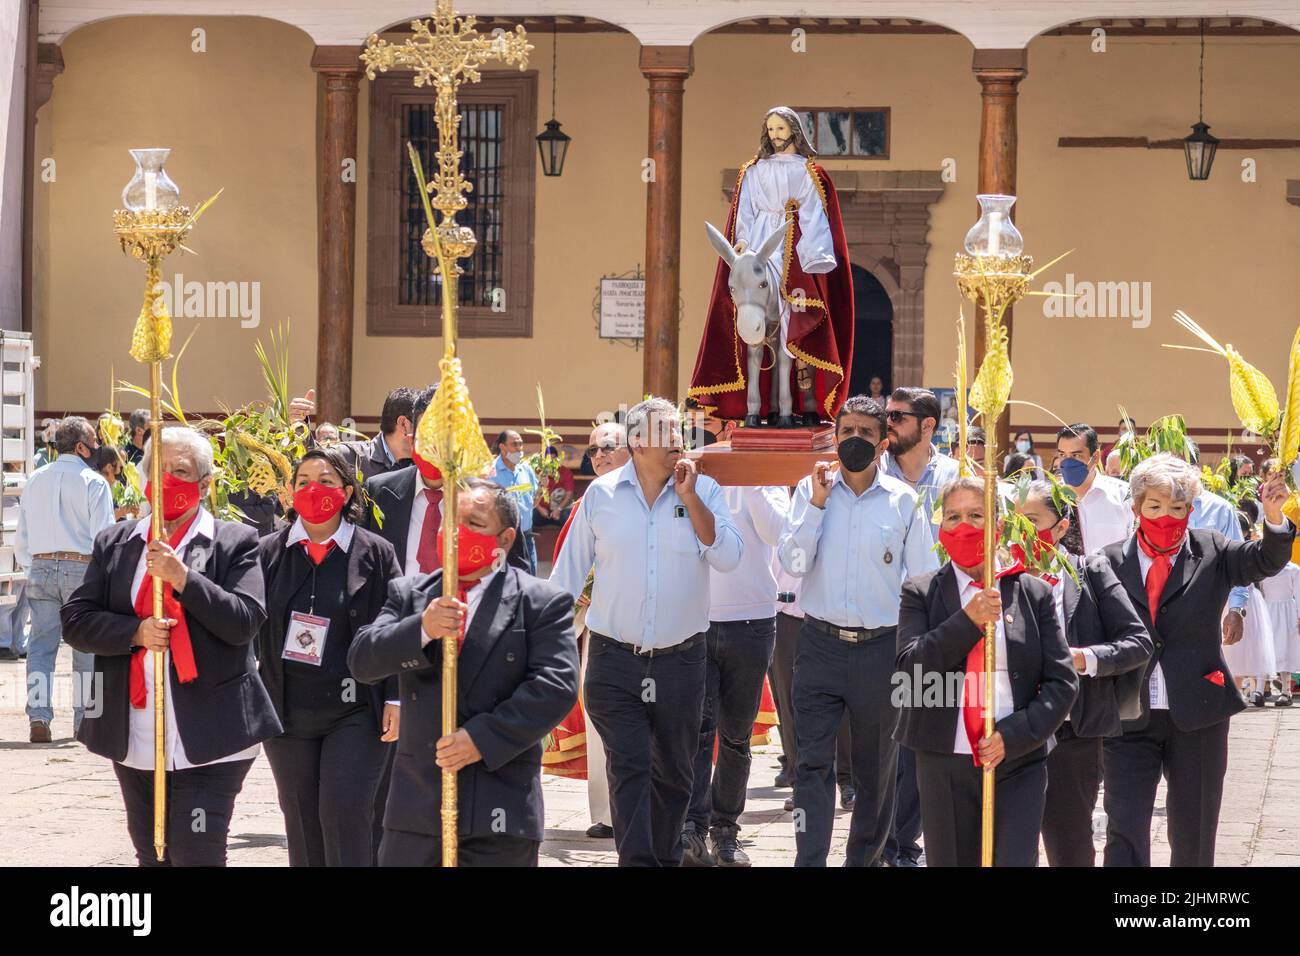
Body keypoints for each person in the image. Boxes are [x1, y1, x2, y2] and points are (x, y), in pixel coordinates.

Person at [61, 425, 280, 866]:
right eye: (157, 470)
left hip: (211, 735)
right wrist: (135, 633)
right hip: (135, 734)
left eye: (180, 471)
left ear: (204, 484)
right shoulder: (117, 542)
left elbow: (244, 621)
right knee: (152, 852)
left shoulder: (233, 542)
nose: (166, 482)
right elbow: (76, 622)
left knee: (195, 852)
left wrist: (184, 578)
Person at [550, 397, 742, 867]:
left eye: (680, 431)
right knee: (629, 766)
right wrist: (540, 642)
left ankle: (663, 858)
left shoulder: (706, 490)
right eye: (667, 431)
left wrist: (692, 498)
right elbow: (567, 576)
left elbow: (729, 557)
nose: (678, 440)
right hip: (615, 660)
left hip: (681, 661)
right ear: (636, 441)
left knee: (675, 773)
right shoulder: (600, 496)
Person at [348, 479, 579, 866]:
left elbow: (556, 684)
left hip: (499, 803)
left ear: (505, 538)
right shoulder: (410, 594)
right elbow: (363, 660)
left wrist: (483, 738)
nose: (456, 534)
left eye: (473, 523)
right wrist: (422, 628)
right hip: (417, 805)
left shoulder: (540, 602)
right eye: (449, 523)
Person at [1099, 454, 1294, 866]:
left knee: (1195, 830)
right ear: (1136, 508)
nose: (1165, 516)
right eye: (1154, 506)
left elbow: (1263, 560)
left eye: (1176, 507)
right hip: (1129, 715)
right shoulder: (1108, 561)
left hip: (1199, 711)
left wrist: (1274, 520)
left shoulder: (1213, 550)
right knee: (1125, 827)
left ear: (1191, 509)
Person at [778, 394, 937, 867]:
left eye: (865, 433)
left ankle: (862, 861)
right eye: (846, 431)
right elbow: (792, 562)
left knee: (876, 774)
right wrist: (817, 506)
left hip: (880, 652)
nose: (854, 440)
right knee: (810, 766)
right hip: (820, 646)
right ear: (835, 435)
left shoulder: (904, 501)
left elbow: (922, 581)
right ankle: (809, 859)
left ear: (883, 442)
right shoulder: (810, 495)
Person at [895, 476, 1078, 867]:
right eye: (954, 517)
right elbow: (910, 671)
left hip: (1018, 757)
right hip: (945, 757)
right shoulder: (921, 592)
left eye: (976, 515)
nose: (964, 527)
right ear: (940, 528)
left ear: (998, 524)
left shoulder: (1032, 592)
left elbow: (1062, 683)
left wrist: (1013, 735)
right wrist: (967, 620)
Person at [255, 448, 401, 866]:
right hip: (287, 711)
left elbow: (395, 629)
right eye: (303, 482)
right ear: (289, 492)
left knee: (345, 812)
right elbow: (245, 623)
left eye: (326, 482)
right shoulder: (268, 553)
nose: (313, 490)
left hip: (357, 708)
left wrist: (395, 696)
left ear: (348, 492)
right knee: (300, 819)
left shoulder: (375, 553)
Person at [1014, 481, 1152, 867]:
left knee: (1069, 843)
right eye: (1016, 521)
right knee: (1009, 840)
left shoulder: (1090, 572)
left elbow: (1137, 642)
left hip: (1071, 730)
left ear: (1061, 526)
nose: (1023, 531)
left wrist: (1082, 658)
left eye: (1033, 521)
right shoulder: (999, 576)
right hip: (1008, 730)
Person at [689, 107, 854, 427]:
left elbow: (814, 216)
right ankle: (755, 402)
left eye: (781, 128)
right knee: (748, 287)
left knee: (793, 302)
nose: (775, 135)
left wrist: (812, 254)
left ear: (794, 130)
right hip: (758, 242)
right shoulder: (751, 170)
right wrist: (743, 243)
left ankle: (797, 391)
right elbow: (746, 211)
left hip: (790, 245)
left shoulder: (809, 172)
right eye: (771, 129)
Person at [683, 484, 789, 867]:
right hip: (697, 617)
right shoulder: (690, 478)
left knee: (736, 736)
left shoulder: (767, 483)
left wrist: (754, 481)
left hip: (753, 620)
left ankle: (725, 828)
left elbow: (779, 532)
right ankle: (691, 827)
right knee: (696, 730)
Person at [877, 385, 957, 867]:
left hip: (937, 622)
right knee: (884, 736)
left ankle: (905, 843)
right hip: (883, 622)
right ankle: (879, 840)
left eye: (899, 417)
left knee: (922, 734)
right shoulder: (873, 472)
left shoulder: (953, 477)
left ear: (928, 426)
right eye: (888, 415)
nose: (889, 425)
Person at [544, 421, 630, 839]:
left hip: (659, 632)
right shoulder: (585, 505)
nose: (599, 456)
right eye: (593, 451)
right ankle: (609, 812)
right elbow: (568, 569)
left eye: (609, 447)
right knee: (601, 724)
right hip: (598, 629)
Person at [16, 416, 115, 743]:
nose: (97, 450)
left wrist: (33, 565)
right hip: (82, 567)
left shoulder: (36, 479)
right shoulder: (94, 482)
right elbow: (104, 536)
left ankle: (39, 717)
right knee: (88, 650)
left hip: (42, 566)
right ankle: (87, 722)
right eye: (94, 444)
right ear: (81, 446)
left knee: (40, 648)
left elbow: (23, 535)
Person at [1057, 423, 1134, 554]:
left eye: (1076, 455)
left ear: (1095, 457)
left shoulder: (1123, 495)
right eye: (1063, 455)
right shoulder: (1052, 497)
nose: (1068, 462)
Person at [491, 430, 540, 574]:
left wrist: (541, 489)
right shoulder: (490, 472)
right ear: (502, 447)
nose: (519, 449)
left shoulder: (526, 470)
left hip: (527, 537)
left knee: (530, 581)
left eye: (520, 444)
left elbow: (533, 503)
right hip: (503, 540)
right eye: (514, 445)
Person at [533, 445, 575, 529]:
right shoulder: (536, 472)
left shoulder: (565, 472)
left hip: (561, 509)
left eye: (553, 460)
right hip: (541, 510)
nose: (550, 463)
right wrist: (539, 508)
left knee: (569, 518)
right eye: (548, 461)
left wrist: (559, 509)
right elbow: (529, 494)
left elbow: (569, 494)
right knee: (529, 517)